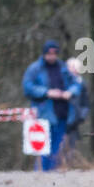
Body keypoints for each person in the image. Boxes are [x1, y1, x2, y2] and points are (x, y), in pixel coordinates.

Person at [22, 40, 81, 171]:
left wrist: (70, 92)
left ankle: (52, 173)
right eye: (49, 53)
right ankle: (40, 173)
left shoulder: (63, 68)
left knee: (57, 146)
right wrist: (47, 92)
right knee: (42, 146)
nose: (52, 56)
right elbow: (27, 87)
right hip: (44, 112)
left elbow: (76, 84)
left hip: (63, 111)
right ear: (44, 54)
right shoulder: (35, 69)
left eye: (55, 53)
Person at [63, 55, 90, 164]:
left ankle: (69, 164)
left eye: (75, 67)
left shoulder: (82, 84)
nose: (73, 70)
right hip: (62, 117)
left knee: (72, 144)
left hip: (75, 120)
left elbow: (86, 103)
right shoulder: (62, 82)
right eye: (71, 67)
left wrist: (82, 116)